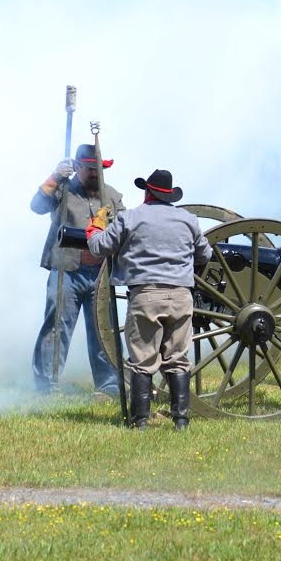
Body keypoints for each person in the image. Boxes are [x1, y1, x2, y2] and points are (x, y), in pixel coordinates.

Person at [86, 169, 211, 430]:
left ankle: (140, 421)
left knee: (142, 359)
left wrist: (96, 226)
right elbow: (205, 254)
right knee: (177, 357)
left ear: (147, 192)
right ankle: (181, 421)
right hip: (181, 295)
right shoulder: (188, 220)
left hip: (146, 295)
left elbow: (99, 247)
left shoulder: (130, 218)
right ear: (169, 196)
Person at [30, 144, 125, 397]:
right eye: (90, 169)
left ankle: (109, 386)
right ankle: (47, 388)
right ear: (78, 167)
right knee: (56, 327)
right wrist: (55, 177)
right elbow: (37, 206)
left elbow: (125, 229)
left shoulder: (113, 196)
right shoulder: (62, 190)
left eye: (99, 169)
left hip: (101, 273)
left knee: (104, 331)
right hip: (67, 270)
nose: (95, 174)